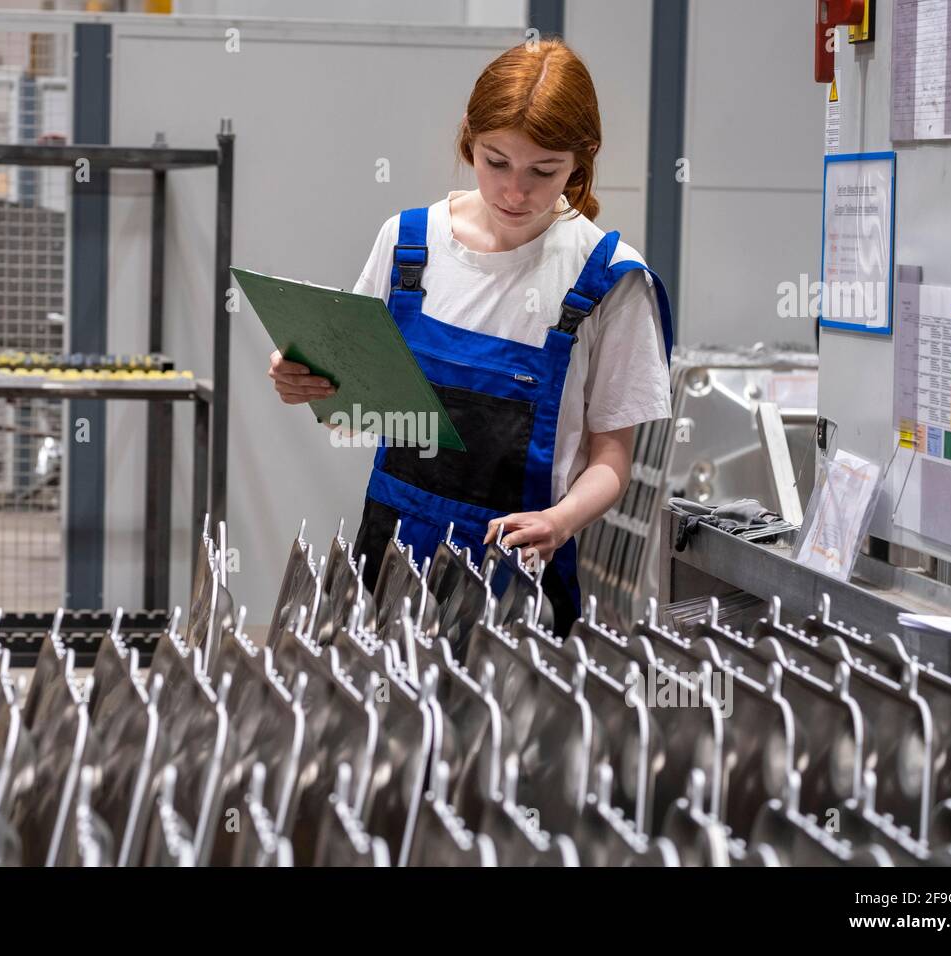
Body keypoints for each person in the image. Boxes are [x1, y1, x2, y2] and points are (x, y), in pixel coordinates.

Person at [267, 39, 673, 629]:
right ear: (468, 141)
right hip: (389, 566)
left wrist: (560, 521)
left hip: (516, 580)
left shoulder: (609, 278)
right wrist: (301, 381)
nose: (515, 191)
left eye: (544, 171)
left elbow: (611, 461)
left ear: (580, 161)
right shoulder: (410, 245)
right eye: (496, 161)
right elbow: (353, 413)